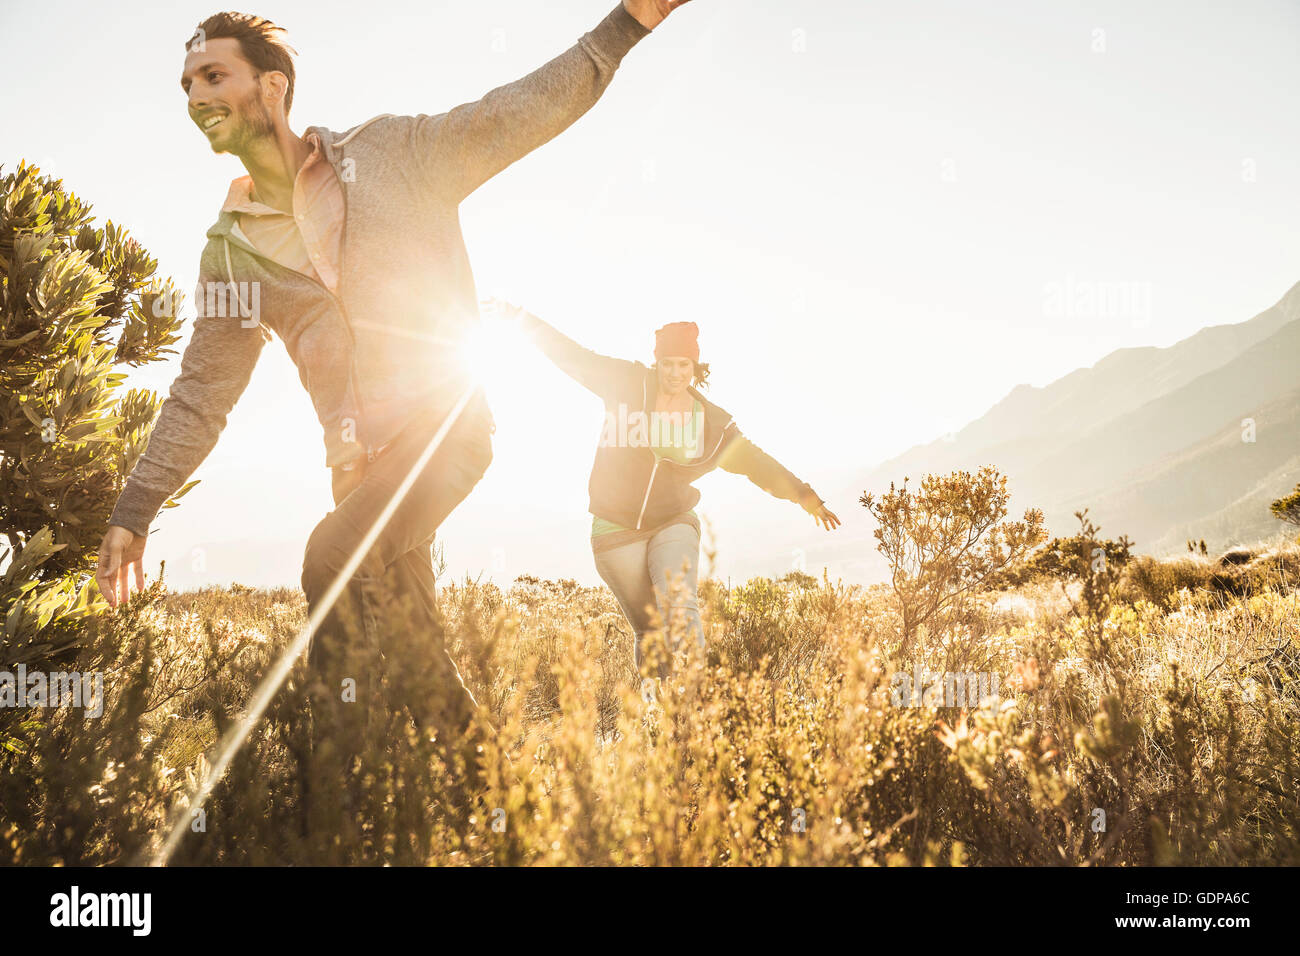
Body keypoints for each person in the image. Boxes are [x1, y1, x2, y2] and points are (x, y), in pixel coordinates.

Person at [94, 2, 693, 780]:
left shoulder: (391, 154)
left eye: (214, 75)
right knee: (421, 661)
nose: (195, 95)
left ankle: (329, 809)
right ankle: (501, 802)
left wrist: (626, 25)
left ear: (272, 89)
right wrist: (134, 510)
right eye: (186, 84)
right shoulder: (231, 251)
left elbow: (517, 112)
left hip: (447, 430)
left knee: (332, 555)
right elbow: (202, 392)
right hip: (362, 470)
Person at [492, 301, 842, 680]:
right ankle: (656, 716)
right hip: (614, 531)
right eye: (668, 364)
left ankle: (696, 700)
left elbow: (755, 462)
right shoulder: (625, 383)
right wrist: (519, 319)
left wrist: (805, 496)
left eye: (684, 365)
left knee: (681, 605)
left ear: (695, 367)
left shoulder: (711, 423)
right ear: (657, 363)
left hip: (672, 521)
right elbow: (573, 356)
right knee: (651, 631)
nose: (676, 373)